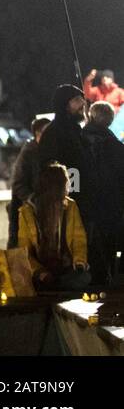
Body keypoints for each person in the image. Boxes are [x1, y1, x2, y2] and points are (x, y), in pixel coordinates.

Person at [18, 161, 90, 293]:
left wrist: (79, 262)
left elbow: (79, 239)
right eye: (65, 183)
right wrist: (40, 272)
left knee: (82, 278)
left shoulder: (70, 206)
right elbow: (24, 252)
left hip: (65, 268)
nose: (67, 187)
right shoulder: (27, 212)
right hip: (40, 270)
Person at [81, 102, 124, 287]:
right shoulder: (115, 144)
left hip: (88, 202)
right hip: (111, 203)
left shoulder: (80, 139)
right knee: (108, 244)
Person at [8, 116, 50, 248]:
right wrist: (32, 199)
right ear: (38, 133)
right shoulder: (29, 153)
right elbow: (18, 183)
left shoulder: (44, 151)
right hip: (27, 211)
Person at [37, 84, 87, 186]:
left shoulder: (75, 130)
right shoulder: (54, 133)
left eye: (82, 99)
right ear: (64, 105)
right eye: (77, 100)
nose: (83, 103)